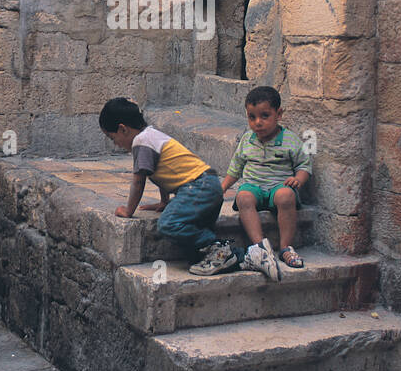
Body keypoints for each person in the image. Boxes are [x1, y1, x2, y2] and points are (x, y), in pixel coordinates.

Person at [98, 97, 239, 276]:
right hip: (208, 185)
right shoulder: (152, 135)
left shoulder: (141, 142)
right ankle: (238, 257)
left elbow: (139, 181)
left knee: (168, 223)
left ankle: (220, 250)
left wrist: (128, 210)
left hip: (197, 187)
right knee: (193, 250)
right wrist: (164, 201)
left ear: (122, 129)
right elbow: (163, 174)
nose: (115, 143)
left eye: (112, 138)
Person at [221, 85, 312, 280]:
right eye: (252, 117)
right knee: (244, 197)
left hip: (278, 187)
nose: (257, 123)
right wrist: (222, 187)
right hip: (253, 186)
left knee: (286, 195)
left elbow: (304, 165)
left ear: (279, 114)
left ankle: (286, 247)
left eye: (264, 116)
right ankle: (260, 248)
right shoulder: (247, 139)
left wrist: (298, 180)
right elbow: (235, 168)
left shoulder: (290, 140)